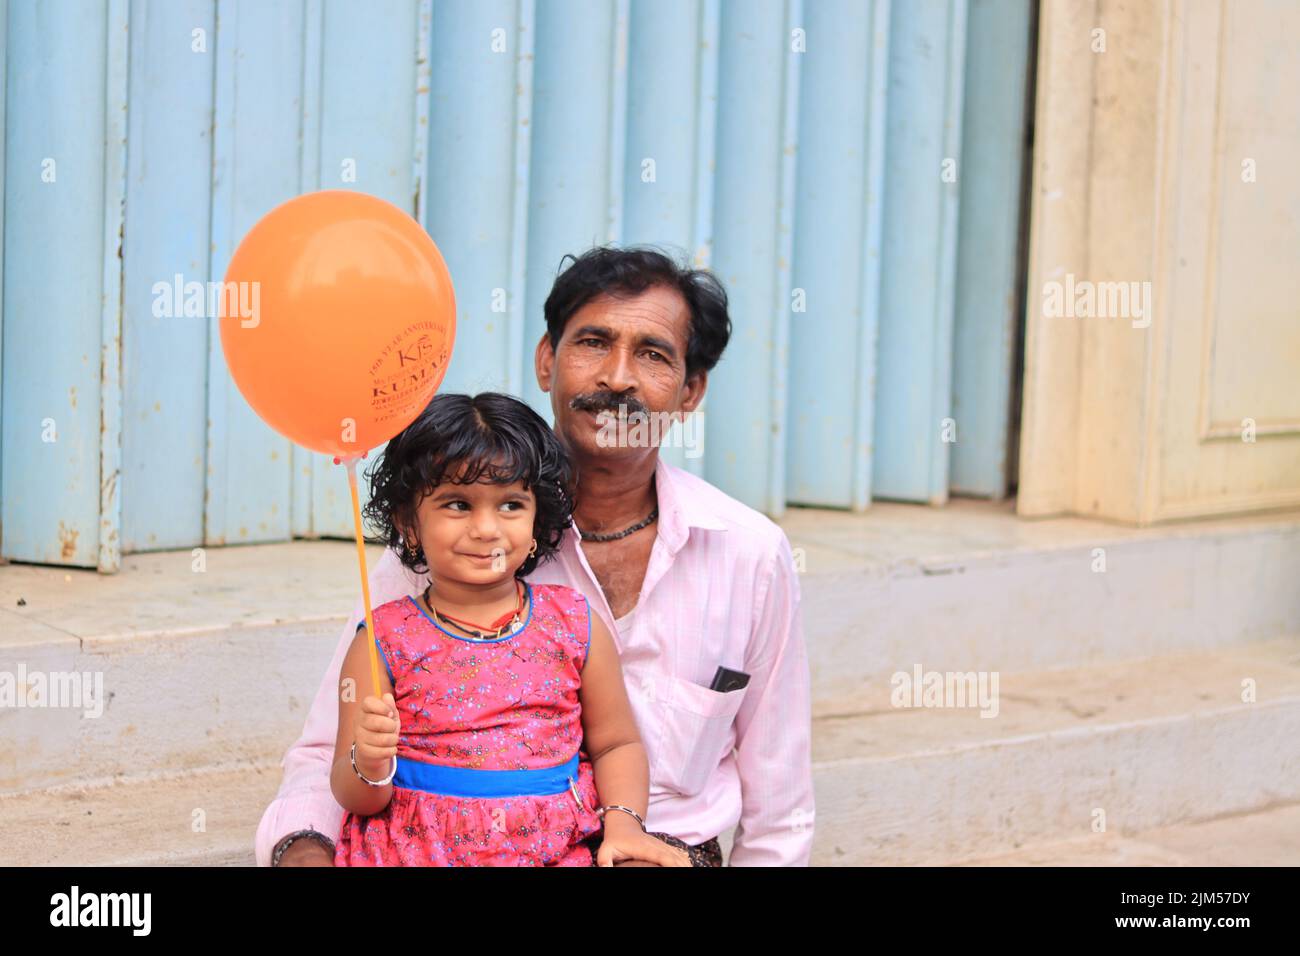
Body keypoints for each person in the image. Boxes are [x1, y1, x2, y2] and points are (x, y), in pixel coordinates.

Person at [257, 245, 815, 867]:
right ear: (547, 362)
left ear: (690, 391)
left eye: (653, 355)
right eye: (593, 343)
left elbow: (780, 800)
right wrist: (303, 850)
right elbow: (329, 752)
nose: (618, 377)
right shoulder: (444, 555)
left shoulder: (749, 554)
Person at [331, 392, 688, 866]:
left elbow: (616, 742)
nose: (486, 529)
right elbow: (355, 796)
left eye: (511, 505)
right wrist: (370, 762)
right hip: (419, 851)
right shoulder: (382, 641)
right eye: (457, 504)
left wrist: (623, 823)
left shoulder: (574, 624)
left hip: (553, 850)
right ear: (408, 524)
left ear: (538, 517)